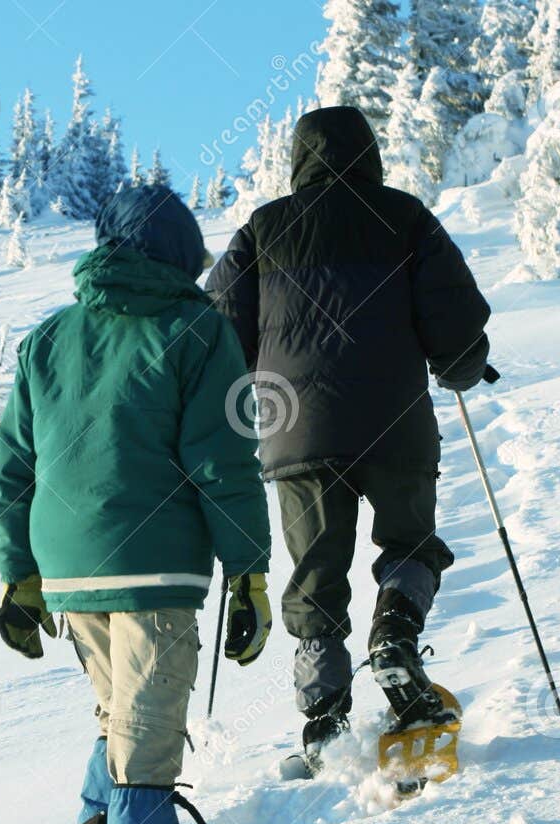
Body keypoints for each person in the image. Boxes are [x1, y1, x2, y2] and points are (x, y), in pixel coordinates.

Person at [0, 185, 273, 824]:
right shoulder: (195, 331)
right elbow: (224, 457)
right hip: (154, 571)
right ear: (182, 260)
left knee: (119, 722)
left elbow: (11, 468)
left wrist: (18, 573)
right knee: (145, 752)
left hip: (69, 572)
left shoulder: (48, 338)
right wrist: (249, 569)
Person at [206, 105, 492, 771]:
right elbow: (456, 328)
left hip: (296, 433)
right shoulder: (406, 217)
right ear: (370, 155)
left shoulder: (263, 229)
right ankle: (394, 633)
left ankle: (324, 719)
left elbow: (217, 339)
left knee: (316, 573)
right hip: (396, 421)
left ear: (298, 159)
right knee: (410, 543)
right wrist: (462, 365)